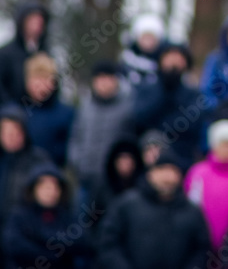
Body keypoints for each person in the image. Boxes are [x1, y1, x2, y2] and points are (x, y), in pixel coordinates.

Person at [98, 150, 211, 269]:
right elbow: (108, 244)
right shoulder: (127, 205)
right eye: (161, 170)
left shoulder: (192, 211)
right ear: (150, 174)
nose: (167, 177)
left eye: (172, 170)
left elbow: (202, 250)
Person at [184, 119, 228, 268]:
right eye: (223, 143)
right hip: (204, 250)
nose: (227, 148)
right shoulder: (198, 172)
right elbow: (190, 208)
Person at [2, 163, 93, 269]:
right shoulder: (19, 215)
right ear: (33, 189)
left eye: (55, 187)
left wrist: (40, 237)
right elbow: (14, 246)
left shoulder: (67, 216)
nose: (50, 192)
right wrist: (51, 253)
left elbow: (83, 242)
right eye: (45, 187)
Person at [0, 106, 53, 246]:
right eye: (5, 132)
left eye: (15, 131)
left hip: (24, 234)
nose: (10, 137)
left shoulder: (38, 160)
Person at [68, 60, 135, 196]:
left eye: (108, 78)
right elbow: (76, 136)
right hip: (85, 179)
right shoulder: (85, 107)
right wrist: (76, 162)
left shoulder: (128, 107)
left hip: (114, 183)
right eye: (100, 79)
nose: (103, 83)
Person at [134, 43, 204, 168]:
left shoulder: (192, 94)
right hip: (148, 158)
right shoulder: (147, 89)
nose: (173, 63)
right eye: (169, 58)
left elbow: (193, 125)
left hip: (182, 158)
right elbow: (138, 119)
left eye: (179, 59)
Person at [20, 52, 74, 167]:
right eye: (36, 79)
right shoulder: (18, 111)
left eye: (45, 79)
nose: (41, 84)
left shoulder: (67, 114)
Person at [0, 0, 51, 104]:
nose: (37, 24)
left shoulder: (47, 54)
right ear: (22, 22)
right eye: (32, 19)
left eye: (40, 21)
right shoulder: (4, 54)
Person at [94, 136, 143, 223]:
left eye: (129, 159)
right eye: (122, 159)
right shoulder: (102, 189)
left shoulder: (143, 188)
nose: (125, 164)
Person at [120, 14, 169, 88]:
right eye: (145, 37)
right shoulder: (126, 62)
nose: (148, 42)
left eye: (151, 38)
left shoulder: (164, 63)